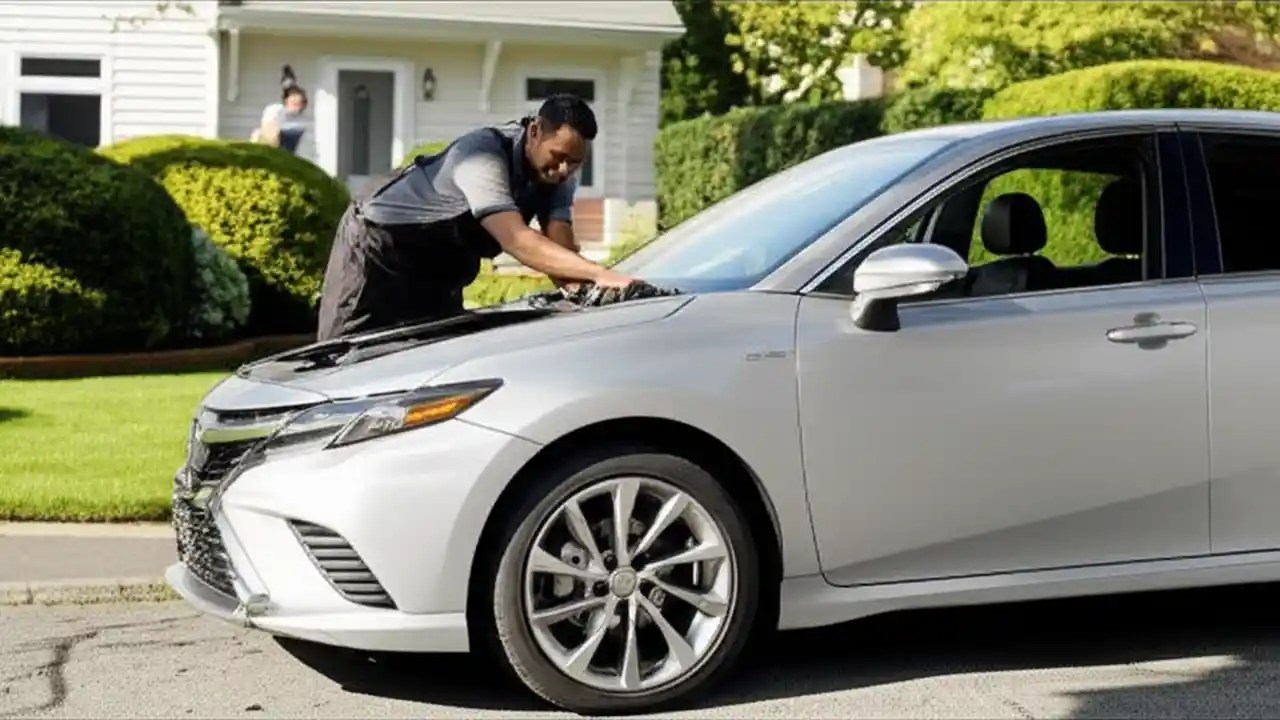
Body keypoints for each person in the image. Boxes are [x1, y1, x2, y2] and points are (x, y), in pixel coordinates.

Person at [315, 93, 634, 340]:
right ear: (535, 131)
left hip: (439, 264)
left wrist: (588, 290)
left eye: (575, 163)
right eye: (559, 156)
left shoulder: (558, 175)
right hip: (377, 247)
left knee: (430, 364)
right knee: (341, 361)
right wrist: (600, 273)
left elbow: (560, 244)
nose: (564, 170)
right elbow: (516, 240)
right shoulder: (480, 155)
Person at [251, 65, 308, 155]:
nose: (296, 102)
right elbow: (270, 134)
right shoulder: (275, 110)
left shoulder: (301, 121)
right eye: (292, 97)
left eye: (299, 102)